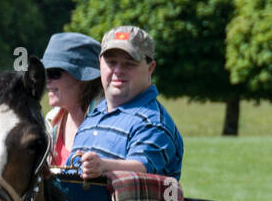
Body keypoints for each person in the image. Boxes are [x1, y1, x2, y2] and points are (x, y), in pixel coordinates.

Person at [68, 26, 182, 180]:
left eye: (129, 64)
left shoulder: (153, 122)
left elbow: (141, 170)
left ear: (150, 68)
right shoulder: (94, 115)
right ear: (100, 63)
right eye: (111, 62)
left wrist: (102, 166)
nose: (118, 70)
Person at [38, 32, 102, 169]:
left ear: (84, 78)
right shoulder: (50, 121)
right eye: (45, 72)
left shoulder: (107, 124)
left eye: (54, 73)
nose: (47, 80)